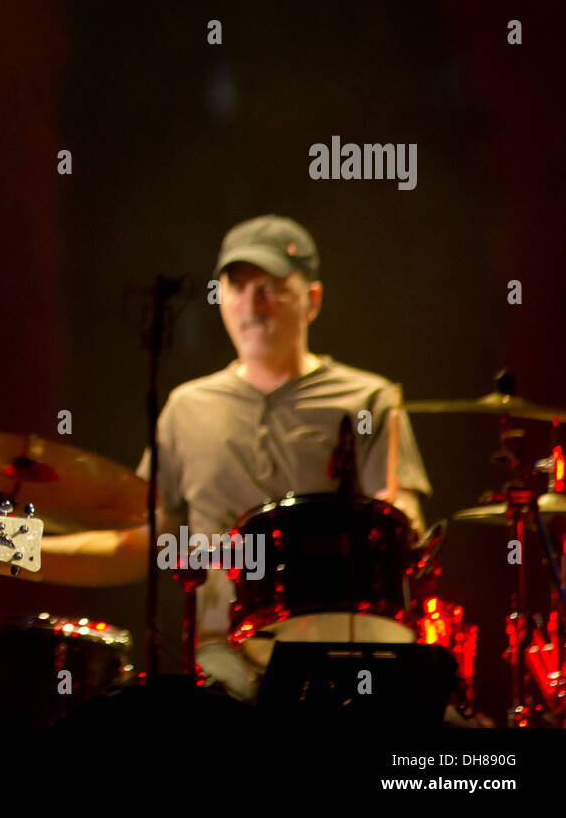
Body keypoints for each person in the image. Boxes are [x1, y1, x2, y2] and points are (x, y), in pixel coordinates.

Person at [27, 215, 430, 700]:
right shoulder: (185, 408)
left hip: (340, 650)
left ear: (313, 301)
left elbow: (402, 519)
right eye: (236, 286)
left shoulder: (369, 398)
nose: (252, 302)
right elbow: (141, 545)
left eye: (271, 286)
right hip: (223, 657)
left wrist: (403, 519)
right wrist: (9, 552)